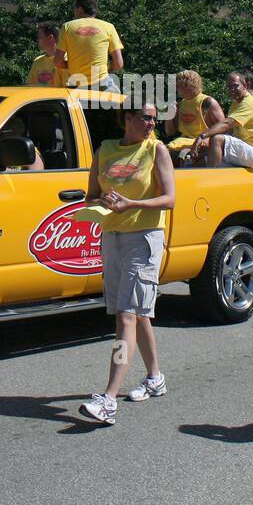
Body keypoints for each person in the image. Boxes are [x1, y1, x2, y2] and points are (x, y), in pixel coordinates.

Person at [79, 101, 176, 426]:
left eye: (154, 119)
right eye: (146, 118)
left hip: (144, 238)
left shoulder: (156, 150)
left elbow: (170, 198)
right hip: (113, 237)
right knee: (138, 313)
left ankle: (108, 399)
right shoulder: (105, 150)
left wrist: (132, 203)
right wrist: (103, 201)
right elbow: (89, 196)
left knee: (126, 317)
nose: (152, 124)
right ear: (128, 119)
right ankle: (155, 378)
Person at [191, 70, 253, 169]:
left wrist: (202, 136)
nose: (232, 89)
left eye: (235, 86)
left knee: (217, 140)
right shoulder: (235, 105)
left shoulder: (248, 103)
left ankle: (213, 181)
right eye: (229, 87)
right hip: (244, 150)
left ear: (245, 86)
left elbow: (227, 124)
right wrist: (206, 149)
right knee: (199, 161)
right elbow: (229, 132)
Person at [57, 0, 124, 92]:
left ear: (80, 8)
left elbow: (57, 62)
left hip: (76, 86)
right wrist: (106, 69)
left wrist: (72, 65)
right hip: (102, 84)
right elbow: (119, 64)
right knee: (119, 102)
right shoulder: (109, 27)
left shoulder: (67, 27)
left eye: (75, 8)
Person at [164, 70, 225, 158]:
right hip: (181, 143)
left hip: (202, 143)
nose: (176, 88)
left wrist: (207, 140)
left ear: (188, 85)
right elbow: (170, 132)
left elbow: (223, 127)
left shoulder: (207, 102)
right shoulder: (181, 104)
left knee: (173, 154)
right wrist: (169, 114)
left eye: (178, 85)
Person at [26, 22, 65, 86]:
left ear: (50, 38)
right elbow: (29, 86)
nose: (37, 40)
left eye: (40, 37)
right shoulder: (37, 61)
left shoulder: (65, 59)